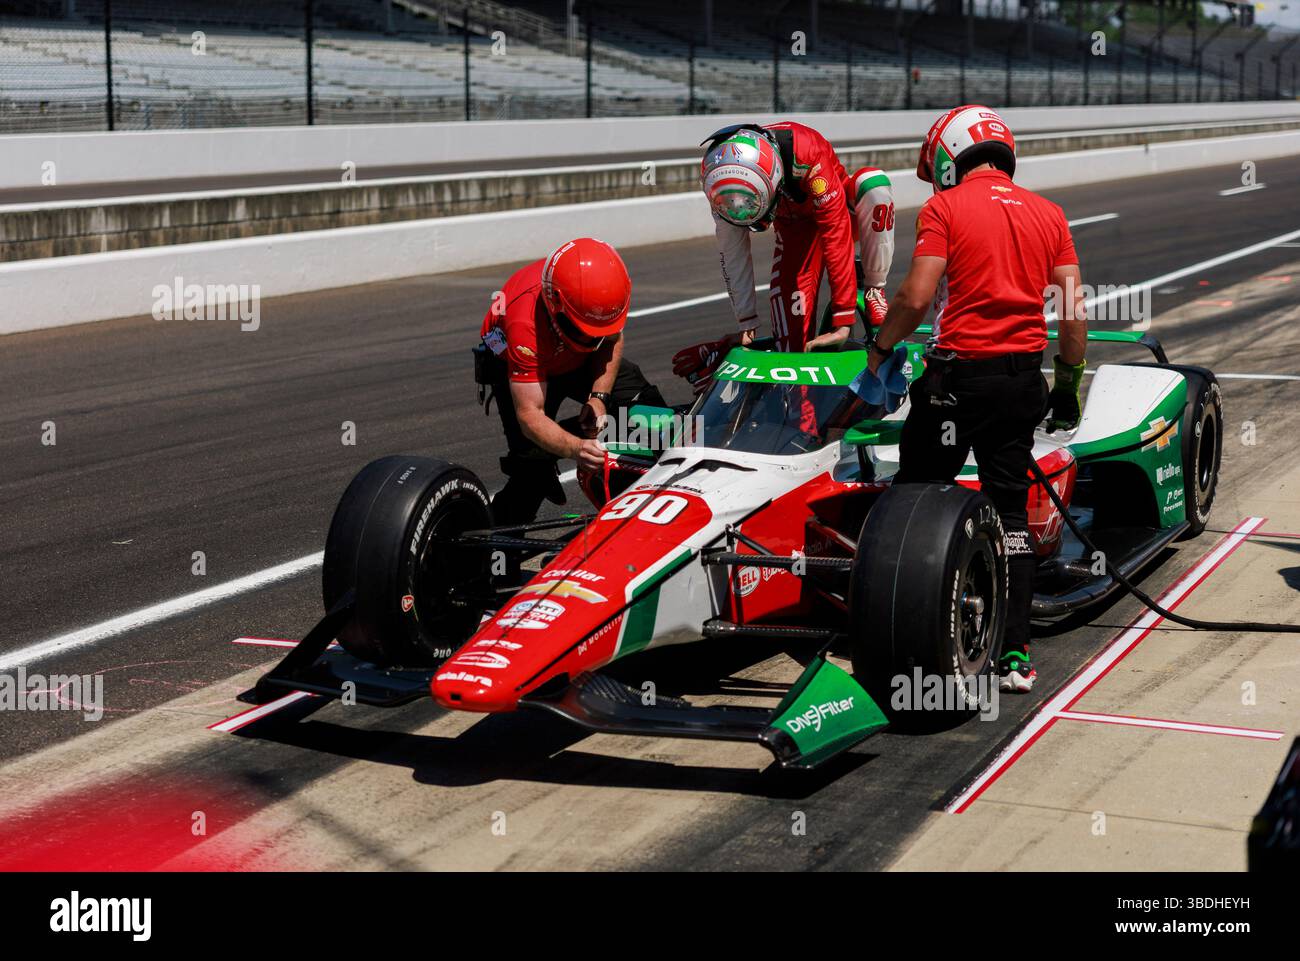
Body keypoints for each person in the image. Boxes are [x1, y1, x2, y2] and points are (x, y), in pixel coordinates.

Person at [866, 105, 1089, 693]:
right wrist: (1067, 387)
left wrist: (879, 348)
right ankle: (1014, 655)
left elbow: (915, 298)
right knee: (1011, 515)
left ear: (949, 155)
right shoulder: (1050, 213)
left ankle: (908, 624)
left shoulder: (944, 207)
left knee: (914, 500)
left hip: (956, 384)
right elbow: (1072, 316)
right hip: (1021, 385)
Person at [672, 121, 896, 392]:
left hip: (839, 213)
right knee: (791, 352)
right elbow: (732, 251)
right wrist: (747, 324)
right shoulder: (721, 184)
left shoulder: (807, 153)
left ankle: (875, 289)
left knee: (873, 184)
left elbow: (835, 231)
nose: (740, 210)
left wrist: (843, 319)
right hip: (795, 233)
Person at [477, 237, 666, 526]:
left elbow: (611, 337)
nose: (593, 337)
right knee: (531, 472)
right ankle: (499, 558)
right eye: (585, 330)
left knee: (652, 415)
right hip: (525, 363)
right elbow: (530, 414)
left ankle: (654, 495)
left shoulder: (602, 291)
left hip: (576, 357)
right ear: (557, 308)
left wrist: (599, 398)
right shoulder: (523, 325)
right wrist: (575, 448)